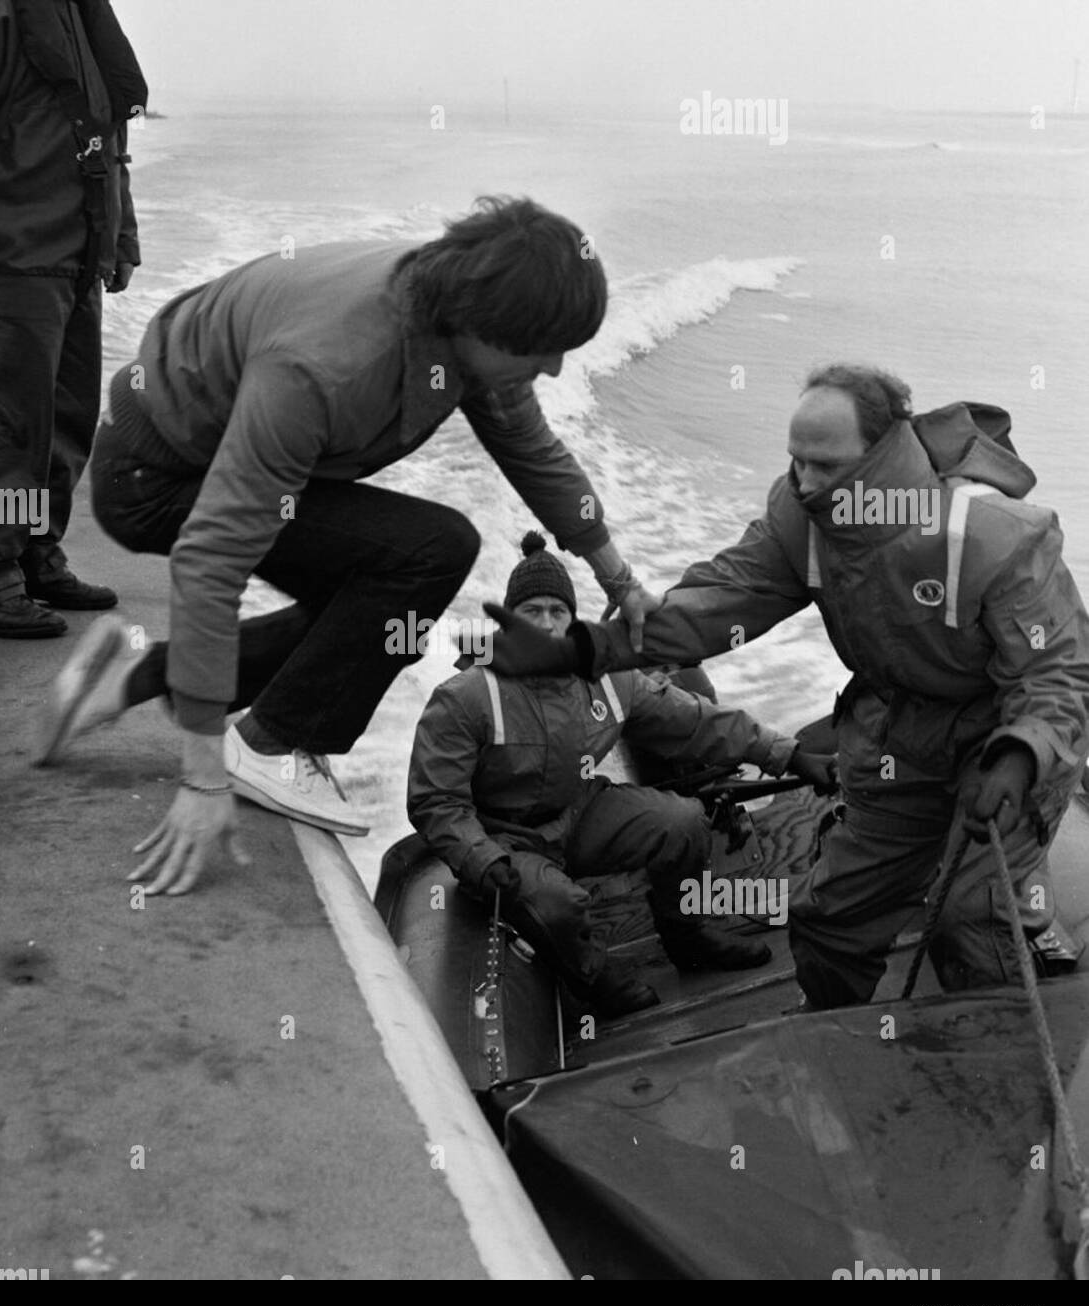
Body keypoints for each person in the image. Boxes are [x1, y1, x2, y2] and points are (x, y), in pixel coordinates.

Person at [33, 197, 663, 895]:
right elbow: (211, 562)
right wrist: (203, 777)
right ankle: (265, 745)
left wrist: (619, 580)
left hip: (200, 443)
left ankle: (138, 678)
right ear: (484, 324)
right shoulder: (327, 364)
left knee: (380, 609)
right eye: (542, 353)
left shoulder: (460, 316)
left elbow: (529, 447)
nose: (550, 371)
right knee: (427, 555)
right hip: (152, 476)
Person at [481, 365, 1089, 1009]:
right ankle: (841, 1049)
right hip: (899, 736)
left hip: (1003, 739)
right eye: (795, 461)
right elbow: (714, 603)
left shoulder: (997, 537)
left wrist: (1019, 755)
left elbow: (1057, 672)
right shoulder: (802, 520)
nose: (804, 482)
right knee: (828, 922)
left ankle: (986, 1075)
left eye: (823, 465)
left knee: (973, 921)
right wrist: (583, 649)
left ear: (879, 454)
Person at [407, 531, 837, 1018]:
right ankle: (594, 977)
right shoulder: (465, 697)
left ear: (572, 620)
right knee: (556, 902)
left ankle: (686, 937)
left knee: (682, 821)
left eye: (558, 611)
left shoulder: (610, 679)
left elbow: (696, 722)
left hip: (579, 811)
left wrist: (791, 754)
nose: (547, 624)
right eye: (532, 612)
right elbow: (435, 802)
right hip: (507, 838)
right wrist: (481, 857)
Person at [0, 0, 145, 638]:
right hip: (5, 252)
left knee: (63, 424)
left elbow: (105, 132)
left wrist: (121, 238)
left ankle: (35, 554)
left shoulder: (78, 9)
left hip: (76, 253)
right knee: (12, 423)